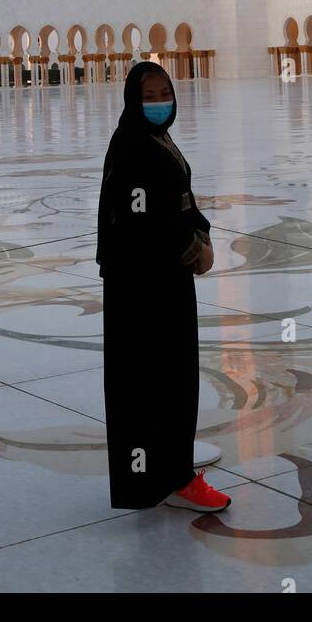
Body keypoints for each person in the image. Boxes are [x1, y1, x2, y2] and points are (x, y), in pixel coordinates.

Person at [96, 60, 231, 513]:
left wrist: (202, 237)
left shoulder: (155, 137)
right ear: (133, 100)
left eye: (163, 94)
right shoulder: (135, 144)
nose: (158, 103)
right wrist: (192, 249)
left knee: (162, 380)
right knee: (160, 381)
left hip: (161, 280)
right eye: (148, 96)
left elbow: (182, 201)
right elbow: (142, 220)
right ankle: (174, 477)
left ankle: (161, 471)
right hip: (145, 285)